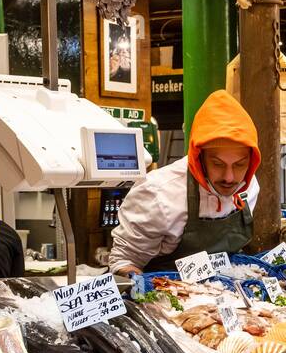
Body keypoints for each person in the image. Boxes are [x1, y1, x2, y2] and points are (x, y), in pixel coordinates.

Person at [109, 90, 260, 275]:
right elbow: (124, 260)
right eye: (217, 164)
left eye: (239, 164)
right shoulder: (158, 193)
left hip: (222, 290)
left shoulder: (250, 186)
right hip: (166, 293)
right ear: (199, 157)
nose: (229, 177)